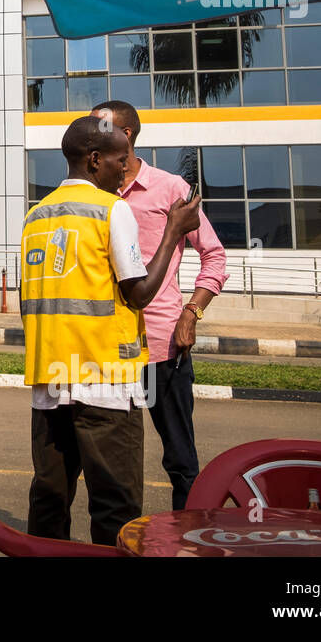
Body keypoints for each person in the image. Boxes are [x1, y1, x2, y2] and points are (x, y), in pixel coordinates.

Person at [22, 115, 200, 545]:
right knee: (115, 504)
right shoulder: (111, 208)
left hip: (50, 380)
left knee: (50, 499)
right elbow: (138, 293)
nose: (126, 168)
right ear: (95, 159)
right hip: (104, 379)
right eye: (121, 159)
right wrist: (174, 229)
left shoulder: (36, 214)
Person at [92, 100, 228, 510]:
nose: (91, 137)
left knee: (181, 460)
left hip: (162, 346)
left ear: (126, 136)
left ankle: (187, 541)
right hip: (107, 349)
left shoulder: (170, 188)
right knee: (109, 463)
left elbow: (215, 256)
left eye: (100, 129)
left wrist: (192, 314)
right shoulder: (92, 194)